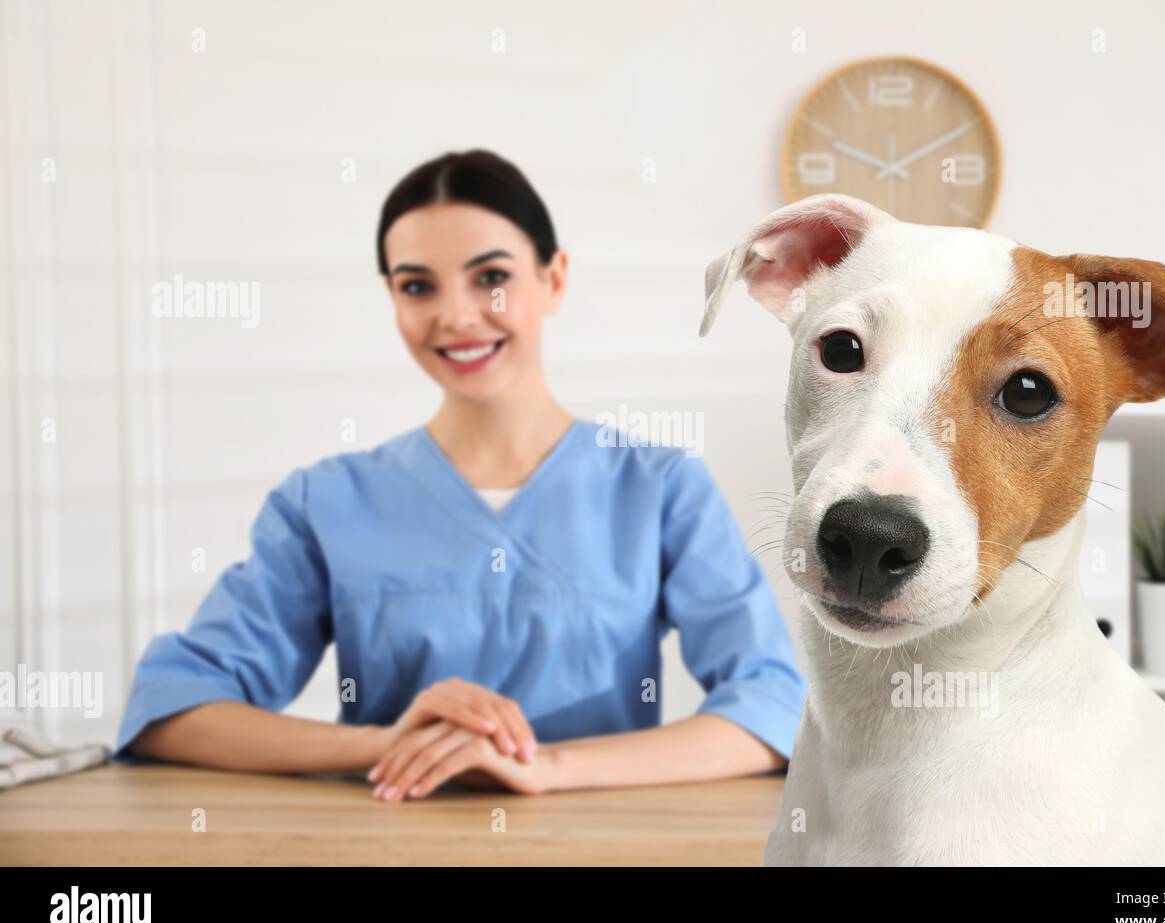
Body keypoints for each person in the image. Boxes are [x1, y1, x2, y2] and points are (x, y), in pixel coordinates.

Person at [117, 149, 806, 801]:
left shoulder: (659, 489)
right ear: (392, 298)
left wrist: (545, 768)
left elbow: (771, 706)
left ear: (553, 278)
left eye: (492, 278)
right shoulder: (324, 502)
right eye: (418, 286)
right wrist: (383, 745)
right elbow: (171, 707)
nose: (455, 316)